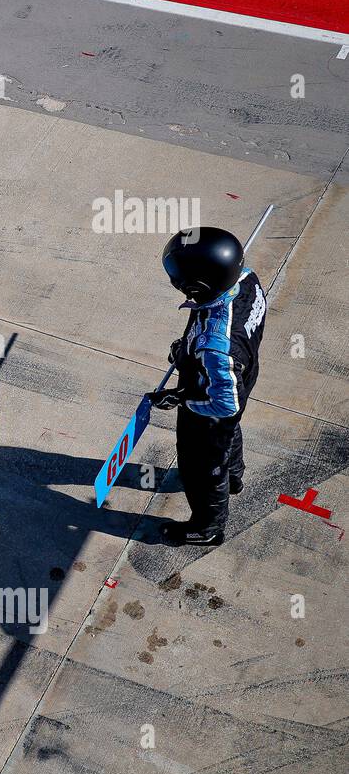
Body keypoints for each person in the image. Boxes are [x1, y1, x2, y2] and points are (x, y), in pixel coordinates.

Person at [149, 227, 266, 546]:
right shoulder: (245, 278)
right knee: (230, 437)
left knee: (202, 466)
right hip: (239, 371)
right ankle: (233, 478)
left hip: (215, 399)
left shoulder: (215, 347)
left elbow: (226, 405)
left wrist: (183, 398)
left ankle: (207, 527)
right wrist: (188, 349)